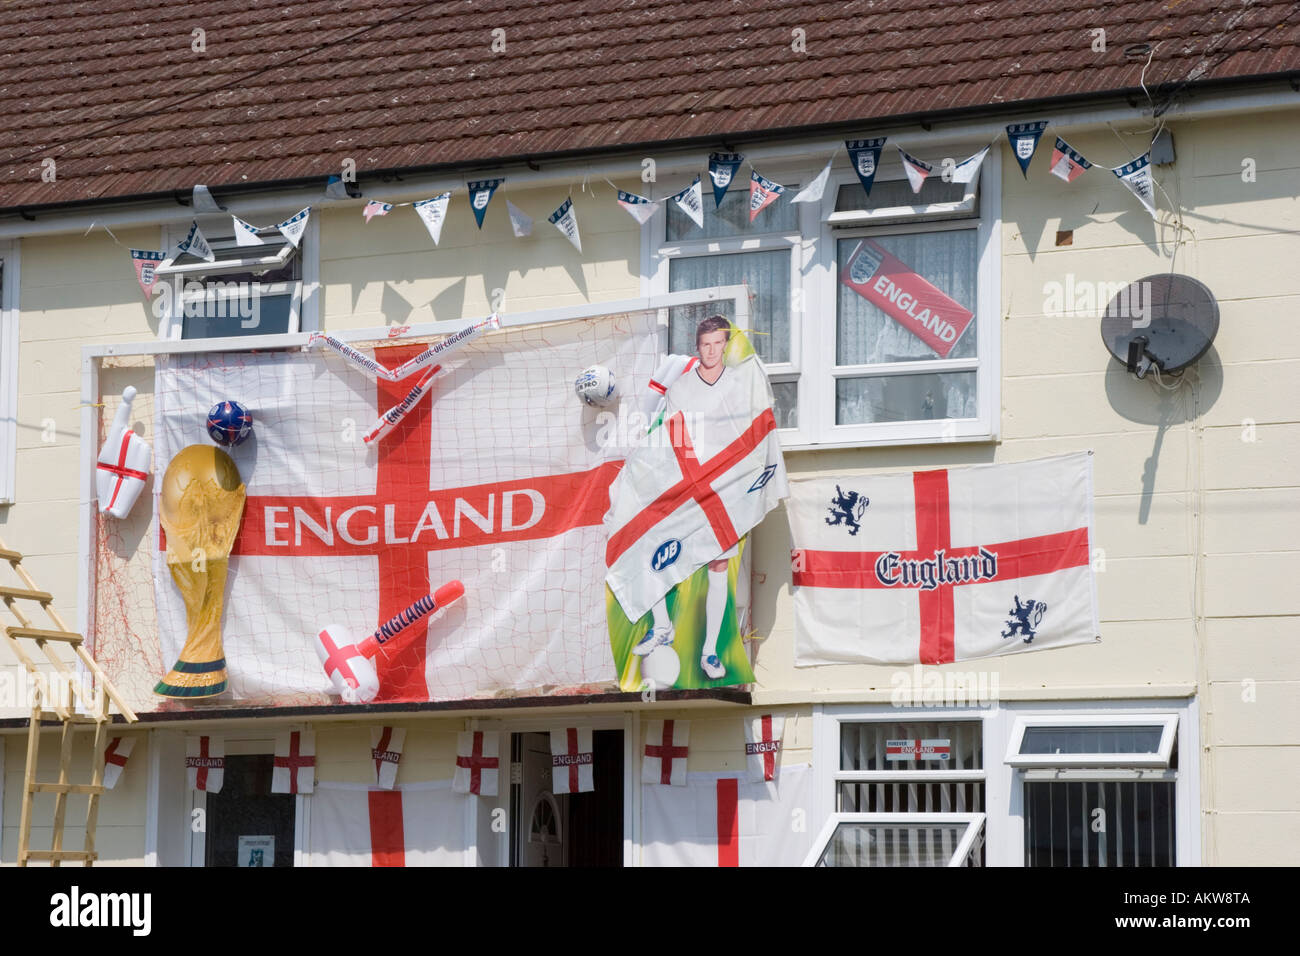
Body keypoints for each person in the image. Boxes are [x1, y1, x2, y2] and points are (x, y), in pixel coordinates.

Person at [632, 314, 741, 680]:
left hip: (715, 485)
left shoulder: (735, 383)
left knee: (718, 565)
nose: (711, 351)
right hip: (674, 480)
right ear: (698, 347)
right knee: (649, 549)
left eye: (718, 344)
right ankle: (662, 624)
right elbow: (646, 418)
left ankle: (709, 652)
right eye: (705, 344)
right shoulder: (676, 371)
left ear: (726, 346)